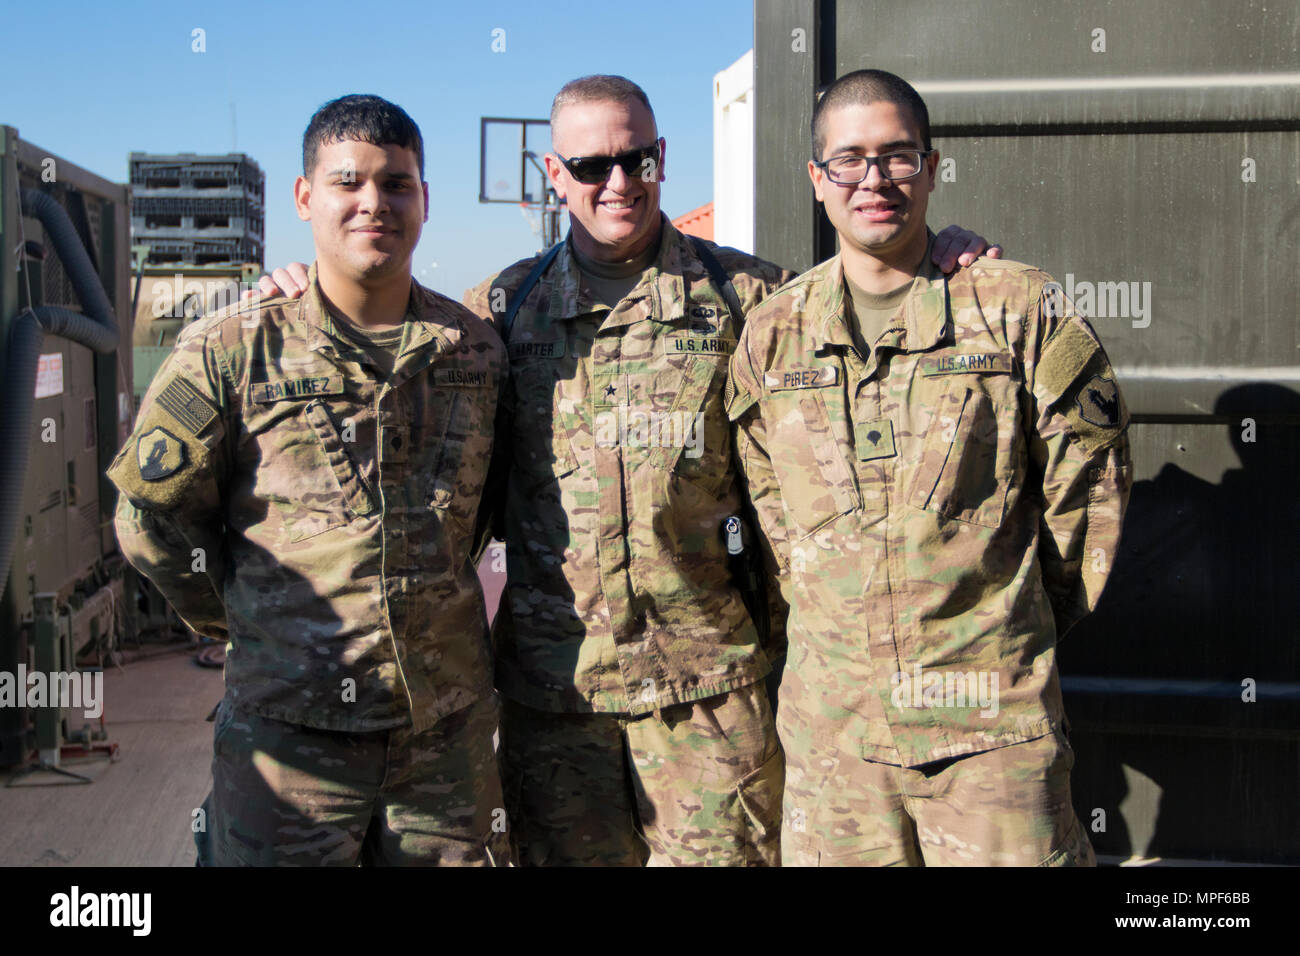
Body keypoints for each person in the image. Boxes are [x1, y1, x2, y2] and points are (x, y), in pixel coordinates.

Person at [262, 75, 996, 866]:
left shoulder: (752, 299)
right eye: (590, 167)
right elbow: (382, 337)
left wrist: (943, 253)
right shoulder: (498, 314)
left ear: (661, 159)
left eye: (636, 160)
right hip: (558, 704)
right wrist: (296, 291)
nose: (617, 183)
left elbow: (874, 293)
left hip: (710, 698)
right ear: (554, 176)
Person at [726, 69, 1132, 866]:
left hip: (991, 741)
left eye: (897, 156)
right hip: (835, 751)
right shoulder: (771, 339)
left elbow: (1089, 509)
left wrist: (999, 633)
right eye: (849, 160)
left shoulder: (1019, 310)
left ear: (933, 167)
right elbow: (769, 523)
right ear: (818, 180)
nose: (873, 180)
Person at [109, 94, 509, 866]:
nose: (374, 203)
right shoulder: (231, 349)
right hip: (289, 746)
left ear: (423, 199)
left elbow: (483, 513)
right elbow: (152, 521)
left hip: (443, 749)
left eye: (397, 184)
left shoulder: (476, 354)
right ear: (305, 197)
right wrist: (240, 620)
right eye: (348, 182)